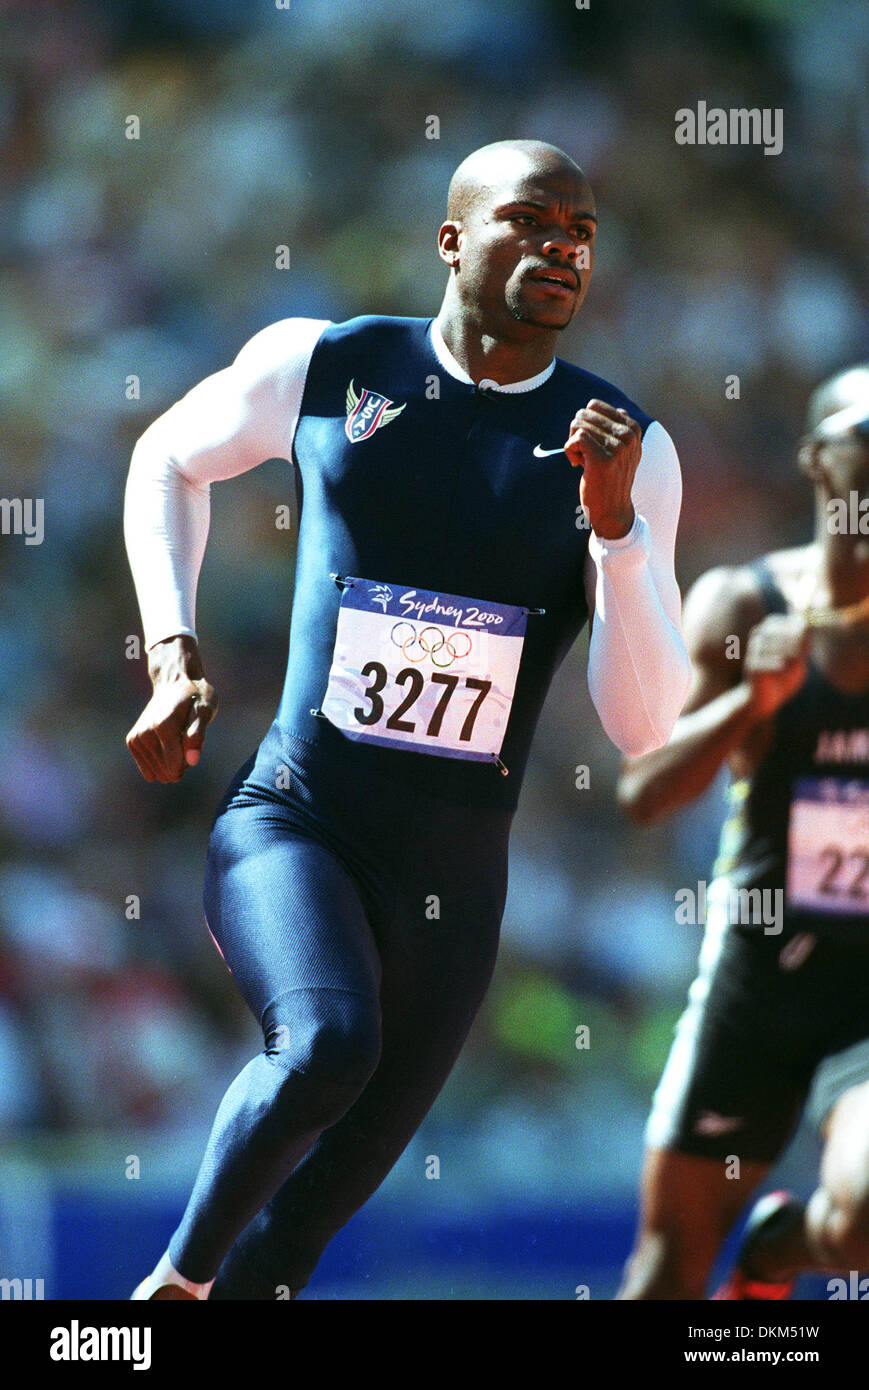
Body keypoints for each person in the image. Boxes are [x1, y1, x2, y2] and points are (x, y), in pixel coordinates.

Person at [123, 139, 691, 1301]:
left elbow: (647, 728)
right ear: (451, 237)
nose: (560, 249)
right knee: (328, 1047)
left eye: (580, 232)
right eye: (529, 220)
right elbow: (165, 460)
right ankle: (166, 1292)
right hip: (296, 828)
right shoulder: (327, 365)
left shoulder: (626, 447)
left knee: (290, 1249)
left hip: (455, 902)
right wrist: (169, 656)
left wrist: (617, 536)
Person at [616, 366, 869, 1301]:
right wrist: (745, 709)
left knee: (867, 1215)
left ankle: (776, 1253)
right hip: (759, 971)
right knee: (667, 1269)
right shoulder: (744, 603)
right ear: (817, 459)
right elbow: (643, 794)